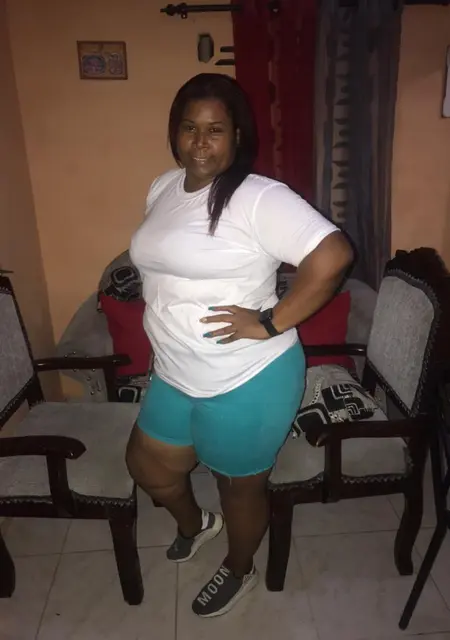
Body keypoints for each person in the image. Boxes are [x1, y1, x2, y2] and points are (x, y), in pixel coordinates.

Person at [127, 73, 353, 618]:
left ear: (236, 136)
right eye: (189, 127)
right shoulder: (163, 187)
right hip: (176, 372)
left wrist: (271, 323)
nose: (200, 142)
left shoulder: (259, 197)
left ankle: (239, 566)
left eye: (215, 130)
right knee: (147, 467)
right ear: (174, 132)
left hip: (247, 378)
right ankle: (197, 524)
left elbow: (333, 256)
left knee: (240, 488)